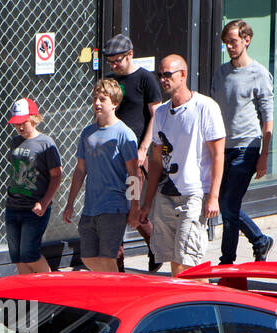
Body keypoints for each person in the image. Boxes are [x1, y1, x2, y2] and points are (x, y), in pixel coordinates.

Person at [140, 55, 226, 277]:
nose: (163, 79)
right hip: (167, 193)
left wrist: (214, 196)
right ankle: (186, 305)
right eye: (160, 75)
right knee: (174, 262)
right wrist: (147, 203)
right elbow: (157, 162)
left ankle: (204, 305)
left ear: (183, 75)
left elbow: (218, 155)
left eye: (168, 74)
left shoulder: (205, 107)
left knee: (188, 261)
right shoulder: (160, 113)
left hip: (195, 193)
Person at [211, 20, 275, 265]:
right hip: (221, 147)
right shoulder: (221, 72)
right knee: (226, 205)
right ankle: (259, 240)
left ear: (247, 40)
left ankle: (227, 261)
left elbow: (268, 117)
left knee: (228, 204)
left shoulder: (258, 74)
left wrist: (264, 155)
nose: (229, 46)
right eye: (226, 43)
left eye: (234, 42)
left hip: (247, 146)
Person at [62, 79, 141, 273]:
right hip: (91, 207)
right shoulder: (87, 133)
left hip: (113, 206)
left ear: (114, 103)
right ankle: (118, 282)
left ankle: (117, 294)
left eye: (102, 99)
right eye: (95, 98)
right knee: (88, 258)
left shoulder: (124, 134)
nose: (97, 103)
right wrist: (70, 202)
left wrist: (134, 208)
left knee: (107, 258)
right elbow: (80, 170)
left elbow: (133, 173)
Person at [104, 33, 165, 271]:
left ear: (130, 55)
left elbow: (156, 116)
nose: (114, 65)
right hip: (112, 155)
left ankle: (156, 247)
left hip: (135, 155)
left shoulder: (145, 79)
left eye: (118, 60)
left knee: (134, 205)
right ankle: (117, 264)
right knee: (114, 207)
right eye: (110, 62)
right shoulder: (110, 80)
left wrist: (144, 148)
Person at [3, 98, 62, 274]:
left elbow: (57, 175)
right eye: (16, 124)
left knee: (29, 252)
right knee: (17, 255)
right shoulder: (15, 142)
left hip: (35, 207)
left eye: (24, 123)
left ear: (34, 119)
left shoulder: (46, 143)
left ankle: (48, 287)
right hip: (13, 205)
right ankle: (27, 295)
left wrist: (44, 202)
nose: (20, 128)